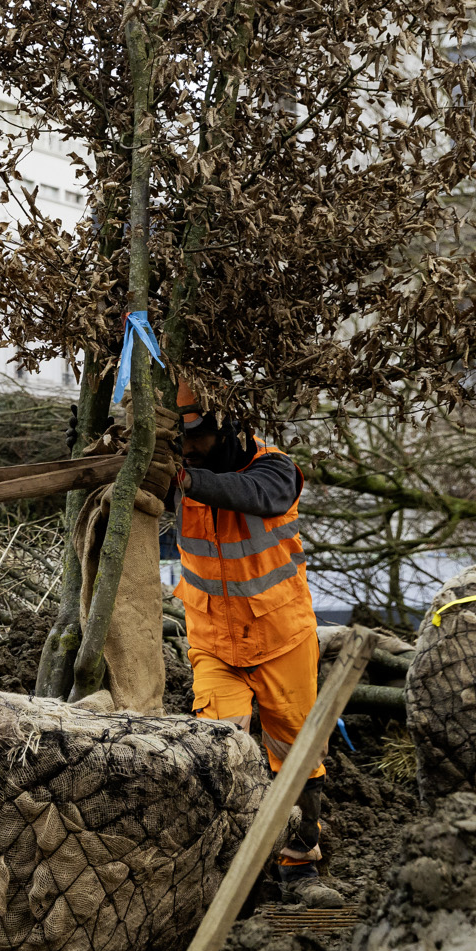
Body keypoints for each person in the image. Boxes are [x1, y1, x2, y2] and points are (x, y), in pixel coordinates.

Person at [171, 380, 342, 907]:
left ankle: (299, 865)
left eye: (193, 436)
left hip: (281, 638)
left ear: (223, 426)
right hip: (213, 642)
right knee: (217, 750)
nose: (186, 447)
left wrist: (185, 479)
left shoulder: (274, 468)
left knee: (297, 756)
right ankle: (224, 869)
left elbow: (258, 497)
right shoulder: (177, 477)